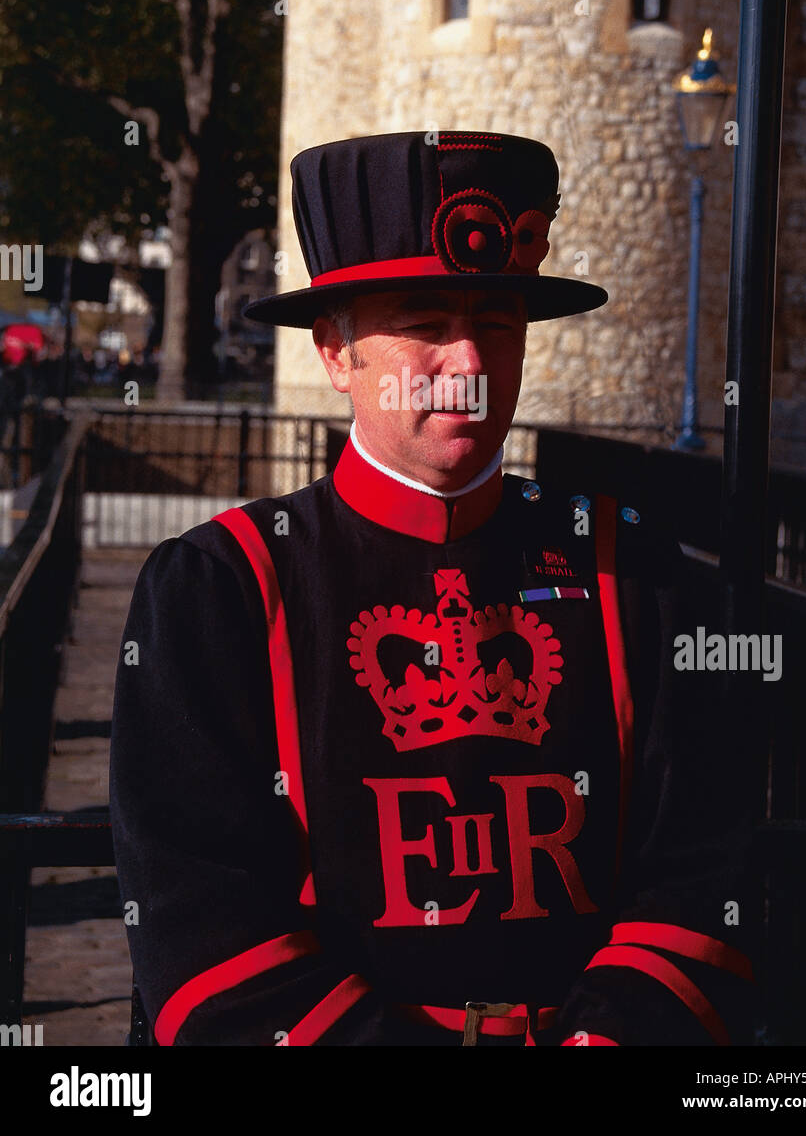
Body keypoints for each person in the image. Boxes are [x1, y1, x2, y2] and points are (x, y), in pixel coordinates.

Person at [110, 130, 755, 1047]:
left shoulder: (631, 569)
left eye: (494, 324)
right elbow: (199, 919)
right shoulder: (222, 587)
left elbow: (697, 871)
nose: (468, 365)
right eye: (422, 325)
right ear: (336, 354)